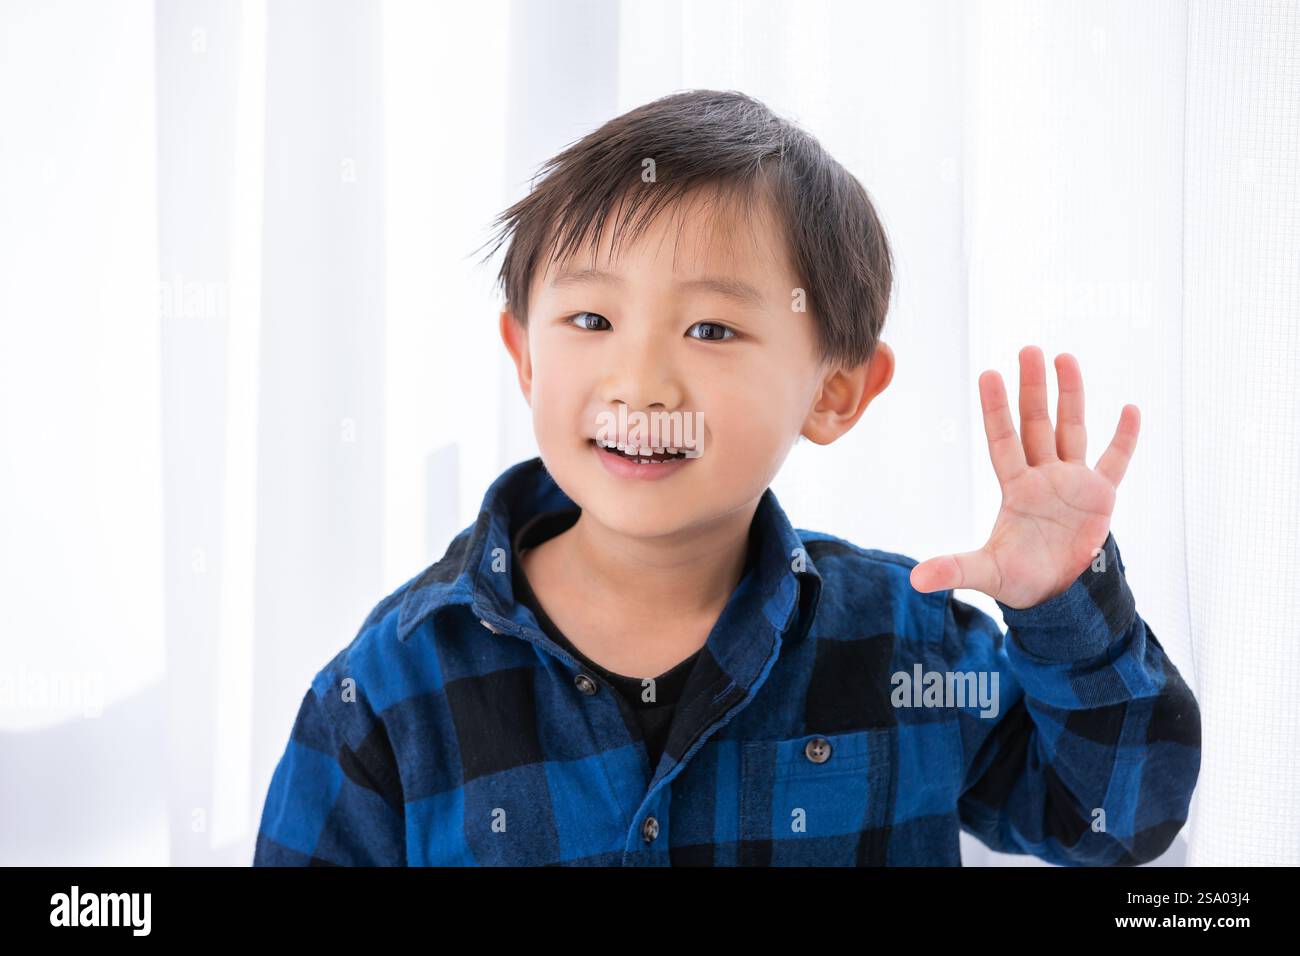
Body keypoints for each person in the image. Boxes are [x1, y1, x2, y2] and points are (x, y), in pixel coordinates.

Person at [253, 89, 1200, 866]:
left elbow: (1116, 820)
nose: (640, 380)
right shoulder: (390, 688)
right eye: (590, 321)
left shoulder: (906, 647)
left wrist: (1067, 608)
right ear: (526, 355)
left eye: (711, 329)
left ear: (835, 392)